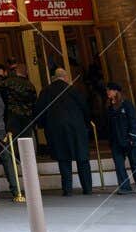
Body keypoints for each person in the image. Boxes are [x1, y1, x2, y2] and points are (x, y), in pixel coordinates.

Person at [36, 68, 93, 196]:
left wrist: (42, 125)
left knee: (63, 159)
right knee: (82, 158)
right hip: (77, 128)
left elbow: (39, 111)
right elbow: (85, 108)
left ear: (54, 78)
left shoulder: (46, 91)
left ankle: (67, 190)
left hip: (56, 129)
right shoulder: (73, 90)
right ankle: (87, 188)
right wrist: (87, 123)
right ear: (66, 77)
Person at [105, 84, 136, 195]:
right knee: (119, 164)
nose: (108, 92)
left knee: (135, 163)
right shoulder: (109, 107)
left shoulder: (126, 104)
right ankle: (125, 187)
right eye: (107, 90)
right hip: (116, 140)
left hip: (129, 139)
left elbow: (133, 121)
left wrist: (132, 136)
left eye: (110, 90)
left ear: (116, 91)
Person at [0, 61, 37, 142]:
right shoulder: (31, 85)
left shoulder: (10, 82)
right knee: (27, 141)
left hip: (14, 115)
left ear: (16, 71)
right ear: (26, 72)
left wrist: (0, 75)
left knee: (13, 141)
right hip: (27, 117)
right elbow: (34, 102)